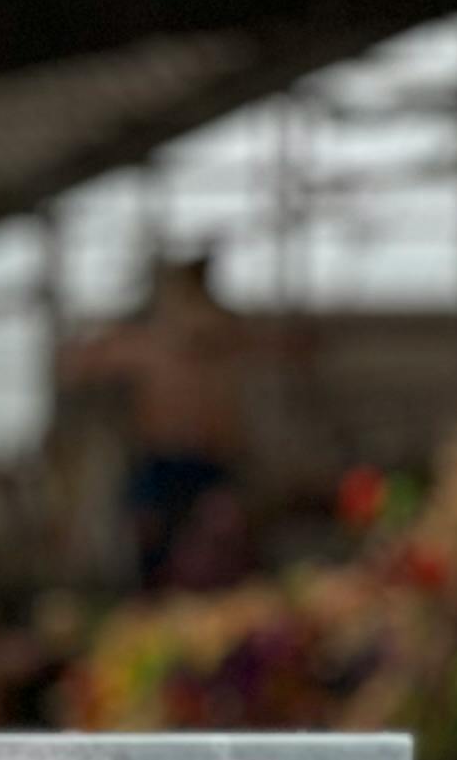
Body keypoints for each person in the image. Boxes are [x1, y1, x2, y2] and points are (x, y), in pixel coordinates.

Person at [58, 251, 297, 586]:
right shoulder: (148, 344)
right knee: (155, 552)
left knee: (222, 553)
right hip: (162, 464)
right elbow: (78, 363)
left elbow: (279, 345)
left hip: (212, 464)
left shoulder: (221, 336)